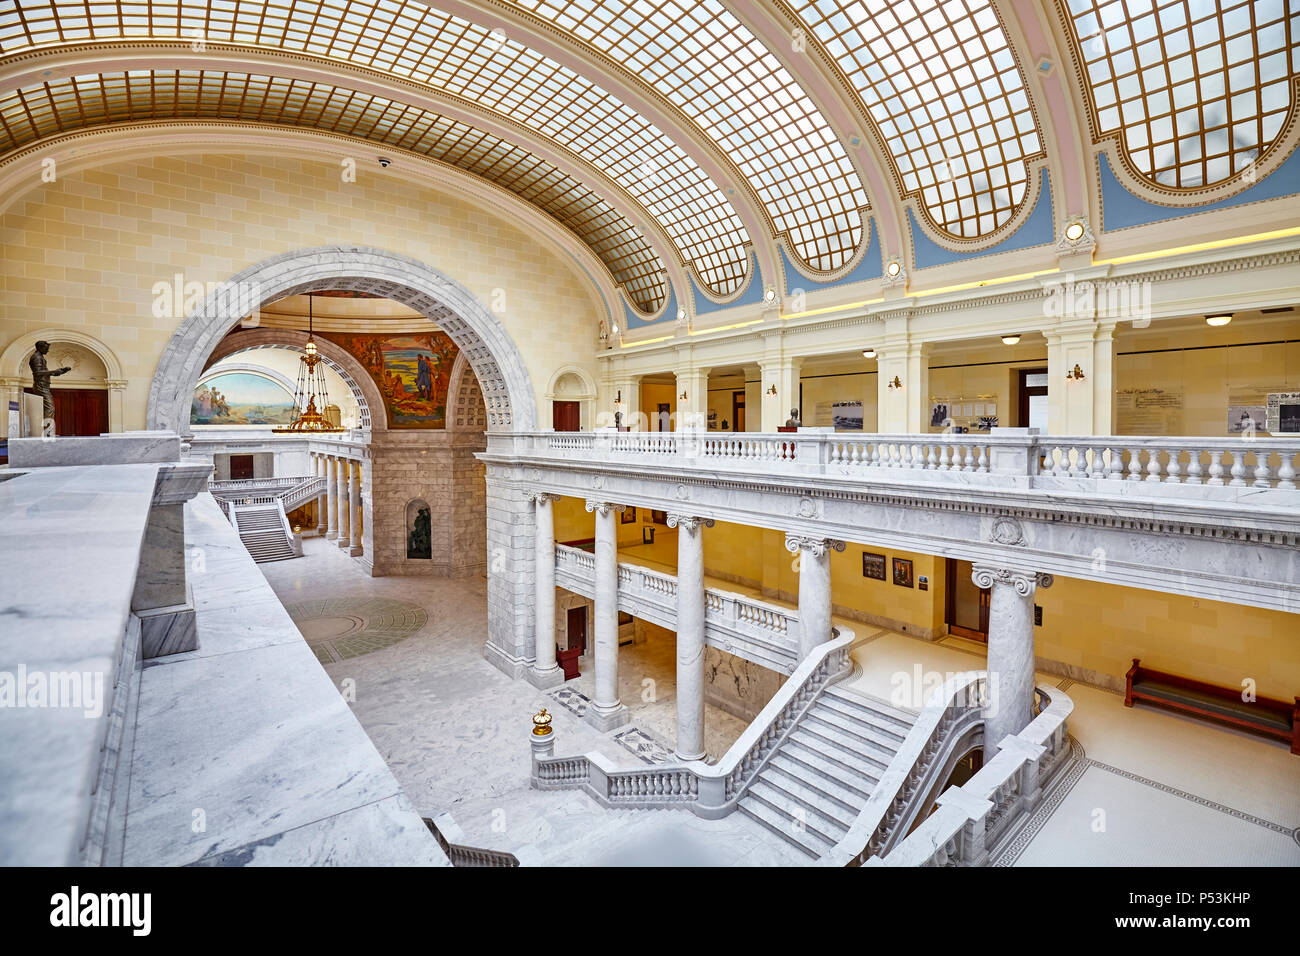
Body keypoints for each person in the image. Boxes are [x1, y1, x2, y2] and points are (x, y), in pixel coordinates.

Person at [29, 340, 72, 428]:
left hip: (43, 385)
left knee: (48, 408)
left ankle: (46, 430)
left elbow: (44, 372)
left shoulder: (40, 357)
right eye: (46, 348)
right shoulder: (36, 357)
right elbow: (37, 373)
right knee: (50, 408)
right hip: (41, 386)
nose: (47, 351)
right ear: (40, 348)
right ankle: (47, 431)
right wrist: (53, 371)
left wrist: (60, 371)